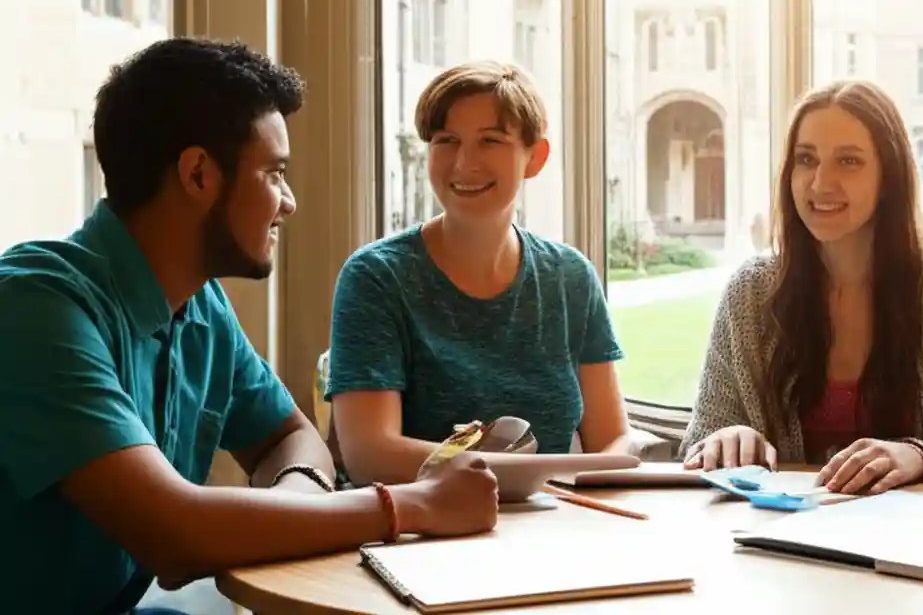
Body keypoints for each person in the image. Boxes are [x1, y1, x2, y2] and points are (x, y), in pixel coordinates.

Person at [0, 38, 498, 615]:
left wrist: (300, 501)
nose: (288, 202)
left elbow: (291, 437)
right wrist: (413, 505)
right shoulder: (34, 308)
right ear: (198, 175)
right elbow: (175, 534)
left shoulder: (200, 304)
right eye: (274, 172)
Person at [679, 80, 923, 495]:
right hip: (779, 545)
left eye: (848, 161)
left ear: (890, 176)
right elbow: (699, 447)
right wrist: (726, 441)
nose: (820, 183)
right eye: (806, 159)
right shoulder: (751, 292)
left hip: (916, 548)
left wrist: (921, 457)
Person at [326, 61, 638, 486]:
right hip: (414, 537)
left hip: (552, 528)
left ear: (536, 157)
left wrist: (565, 484)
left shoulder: (570, 277)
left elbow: (613, 440)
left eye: (490, 141)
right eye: (446, 141)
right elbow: (371, 456)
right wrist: (541, 475)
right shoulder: (376, 277)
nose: (464, 163)